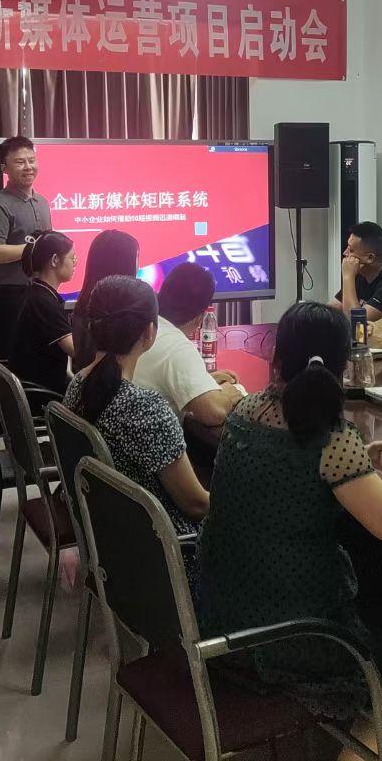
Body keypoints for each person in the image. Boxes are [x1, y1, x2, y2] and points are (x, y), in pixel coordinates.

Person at [199, 302, 382, 761]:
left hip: (221, 615)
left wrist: (358, 462)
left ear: (276, 357)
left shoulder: (243, 411)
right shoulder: (331, 439)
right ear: (343, 365)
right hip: (295, 635)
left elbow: (286, 473)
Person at [62, 275, 209, 535]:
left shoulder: (77, 385)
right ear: (149, 333)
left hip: (108, 533)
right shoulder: (147, 410)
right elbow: (197, 505)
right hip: (167, 545)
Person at [132, 262, 242, 426]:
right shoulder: (177, 346)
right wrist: (227, 394)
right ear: (200, 318)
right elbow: (215, 413)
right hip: (151, 439)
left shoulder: (141, 326)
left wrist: (205, 382)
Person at [0, 136, 52, 358]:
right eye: (20, 162)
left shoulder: (42, 202)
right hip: (12, 297)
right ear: (4, 168)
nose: (28, 167)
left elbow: (49, 244)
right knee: (13, 362)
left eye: (31, 160)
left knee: (43, 359)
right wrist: (34, 249)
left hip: (41, 292)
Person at [3, 230, 77, 398]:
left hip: (34, 385)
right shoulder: (43, 302)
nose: (75, 264)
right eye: (72, 258)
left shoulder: (35, 292)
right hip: (42, 395)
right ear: (55, 260)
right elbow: (76, 350)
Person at [69, 229, 140, 371]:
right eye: (136, 256)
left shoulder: (83, 307)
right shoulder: (124, 314)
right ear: (124, 263)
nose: (138, 263)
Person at [332, 221, 382, 322]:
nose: (345, 253)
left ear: (370, 258)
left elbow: (357, 323)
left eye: (351, 250)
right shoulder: (361, 275)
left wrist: (347, 277)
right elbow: (333, 309)